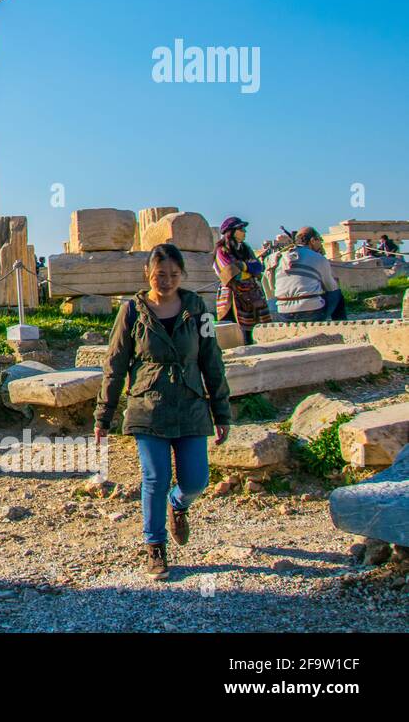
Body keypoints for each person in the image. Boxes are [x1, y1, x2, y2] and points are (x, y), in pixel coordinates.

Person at [95, 244, 230, 581]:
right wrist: (104, 415)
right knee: (154, 479)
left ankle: (179, 504)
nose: (166, 281)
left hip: (190, 405)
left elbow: (212, 361)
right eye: (159, 275)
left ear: (181, 275)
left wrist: (221, 412)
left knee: (197, 481)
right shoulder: (130, 312)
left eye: (173, 275)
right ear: (147, 275)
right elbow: (115, 365)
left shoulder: (200, 310)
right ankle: (155, 546)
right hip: (147, 407)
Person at [213, 215, 270, 344]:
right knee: (234, 332)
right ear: (232, 231)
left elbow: (258, 267)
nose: (245, 232)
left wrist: (243, 266)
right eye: (241, 229)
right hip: (232, 295)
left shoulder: (246, 248)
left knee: (255, 331)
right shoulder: (221, 251)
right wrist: (248, 270)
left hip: (251, 293)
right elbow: (230, 274)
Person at [267, 227, 341, 323]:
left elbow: (271, 287)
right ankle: (341, 326)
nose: (321, 243)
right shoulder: (318, 258)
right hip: (311, 313)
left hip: (283, 313)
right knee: (337, 293)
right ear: (312, 240)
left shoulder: (280, 257)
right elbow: (330, 287)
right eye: (320, 240)